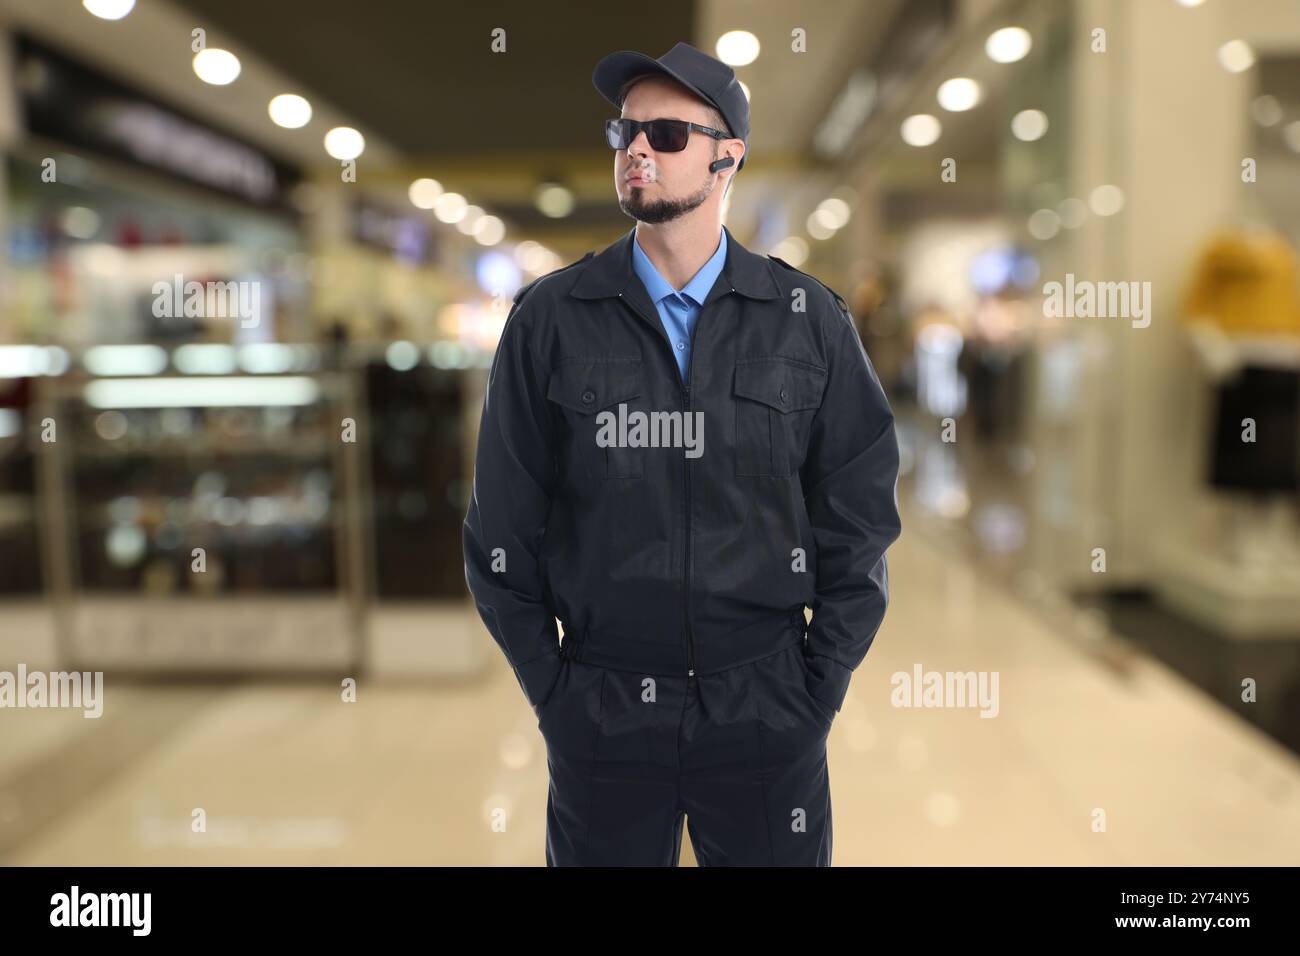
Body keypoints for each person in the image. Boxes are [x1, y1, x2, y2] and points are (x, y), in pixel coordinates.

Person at [462, 41, 902, 866]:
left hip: (767, 703)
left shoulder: (808, 319)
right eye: (624, 131)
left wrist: (817, 687)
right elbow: (500, 533)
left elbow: (860, 517)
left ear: (727, 156)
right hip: (604, 706)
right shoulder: (551, 319)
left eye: (665, 134)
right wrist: (556, 695)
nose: (635, 150)